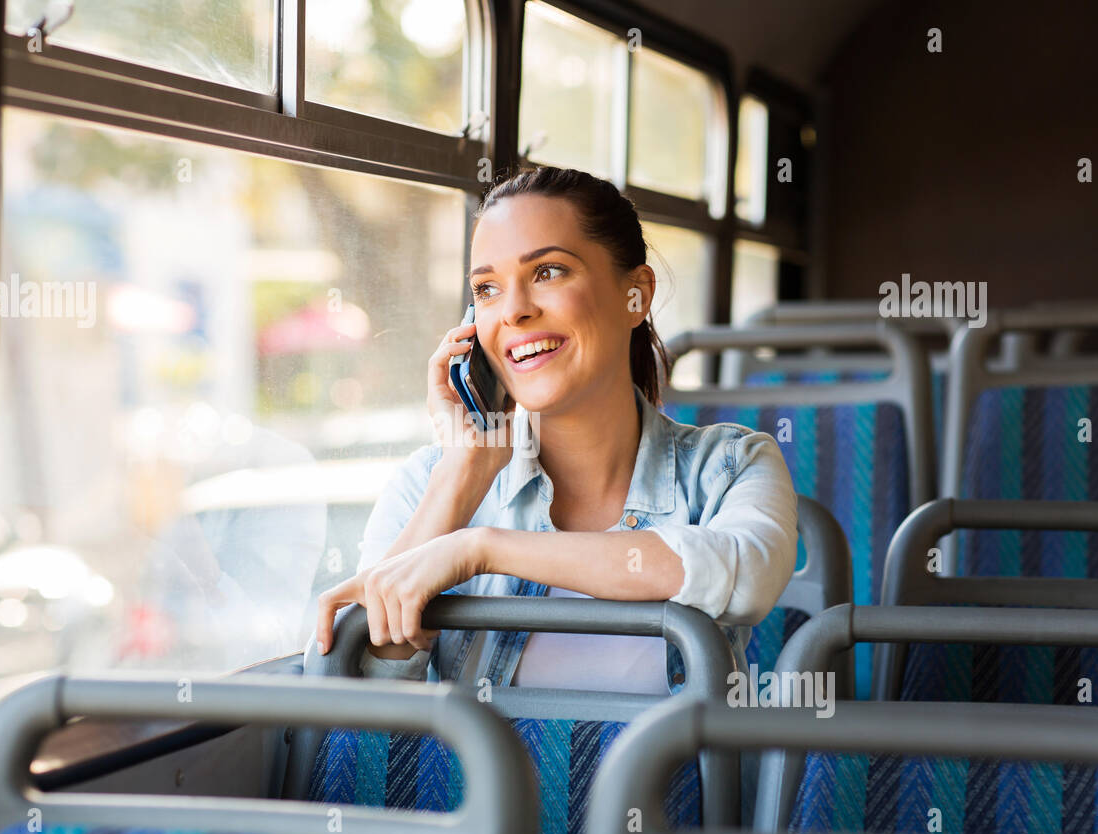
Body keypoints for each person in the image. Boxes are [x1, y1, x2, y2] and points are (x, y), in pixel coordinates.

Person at [311, 166, 798, 694]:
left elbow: (745, 575)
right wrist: (465, 473)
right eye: (488, 288)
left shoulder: (731, 465)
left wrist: (482, 549)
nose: (515, 310)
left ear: (635, 293)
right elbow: (351, 706)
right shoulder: (433, 479)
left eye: (548, 272)